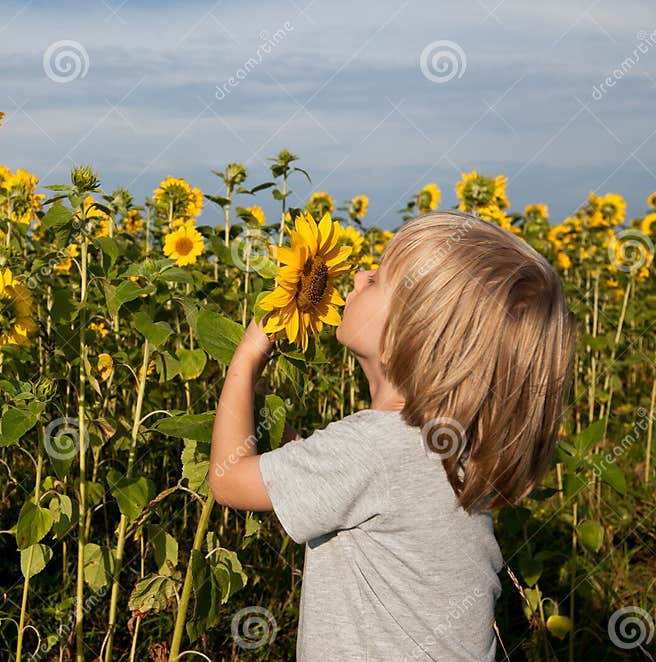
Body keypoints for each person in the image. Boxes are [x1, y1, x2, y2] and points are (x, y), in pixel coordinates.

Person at [209, 210, 578, 661]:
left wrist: (245, 359)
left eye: (380, 278)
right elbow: (342, 480)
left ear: (409, 336)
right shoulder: (457, 447)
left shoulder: (371, 448)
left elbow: (229, 482)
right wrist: (274, 419)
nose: (359, 276)